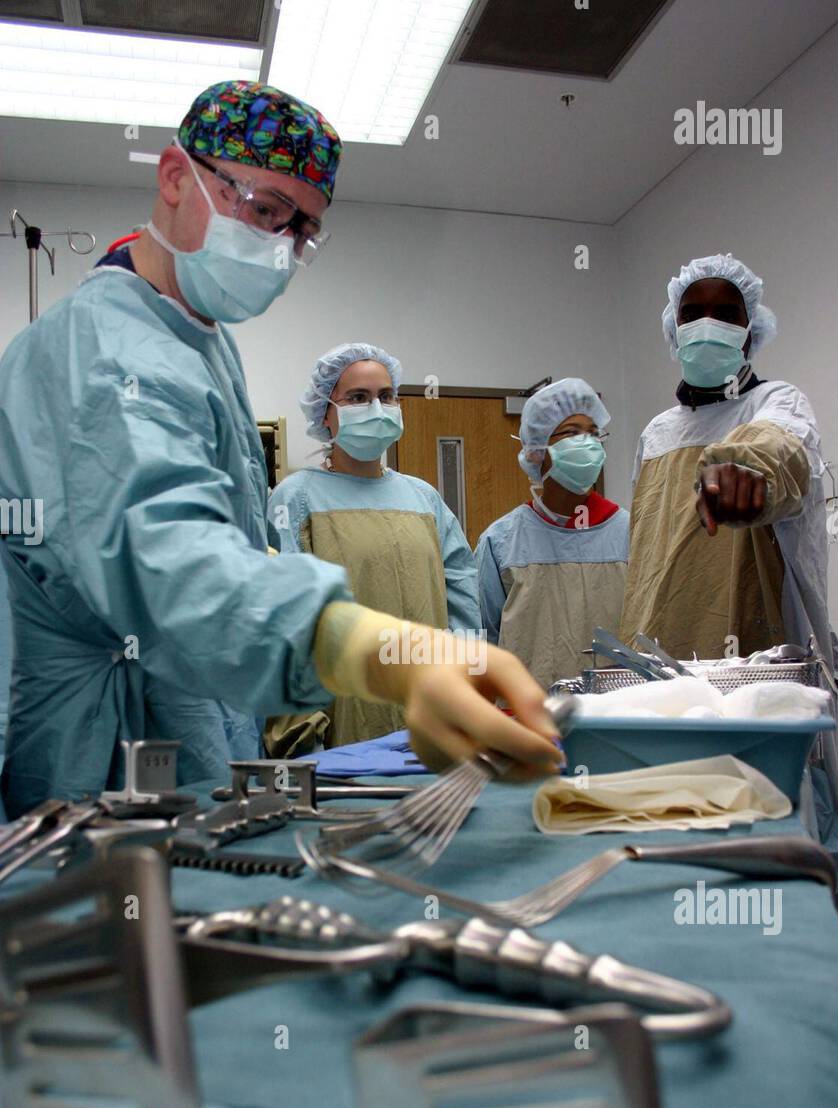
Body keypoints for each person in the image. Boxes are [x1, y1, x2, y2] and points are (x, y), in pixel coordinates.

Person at [0, 80, 562, 819]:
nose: (280, 246)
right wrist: (383, 652)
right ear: (176, 177)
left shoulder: (195, 337)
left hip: (187, 713)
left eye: (302, 229)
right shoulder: (107, 352)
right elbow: (169, 560)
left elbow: (226, 536)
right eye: (265, 210)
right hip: (99, 744)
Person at [620, 253, 838, 899]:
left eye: (727, 313)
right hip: (657, 670)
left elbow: (783, 447)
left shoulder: (774, 402)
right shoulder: (657, 433)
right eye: (693, 313)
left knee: (762, 856)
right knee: (667, 852)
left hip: (756, 668)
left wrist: (744, 471)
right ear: (673, 329)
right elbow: (647, 558)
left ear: (752, 329)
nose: (709, 325)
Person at [266, 342, 481, 749]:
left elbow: (463, 602)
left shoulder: (424, 499)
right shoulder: (297, 499)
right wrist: (302, 742)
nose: (377, 408)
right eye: (358, 398)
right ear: (325, 412)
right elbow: (286, 626)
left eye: (386, 396)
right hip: (341, 725)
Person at [475, 378, 629, 691]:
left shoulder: (630, 532)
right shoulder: (502, 541)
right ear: (536, 452)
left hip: (619, 715)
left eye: (594, 433)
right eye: (572, 432)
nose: (587, 442)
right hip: (529, 718)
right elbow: (481, 641)